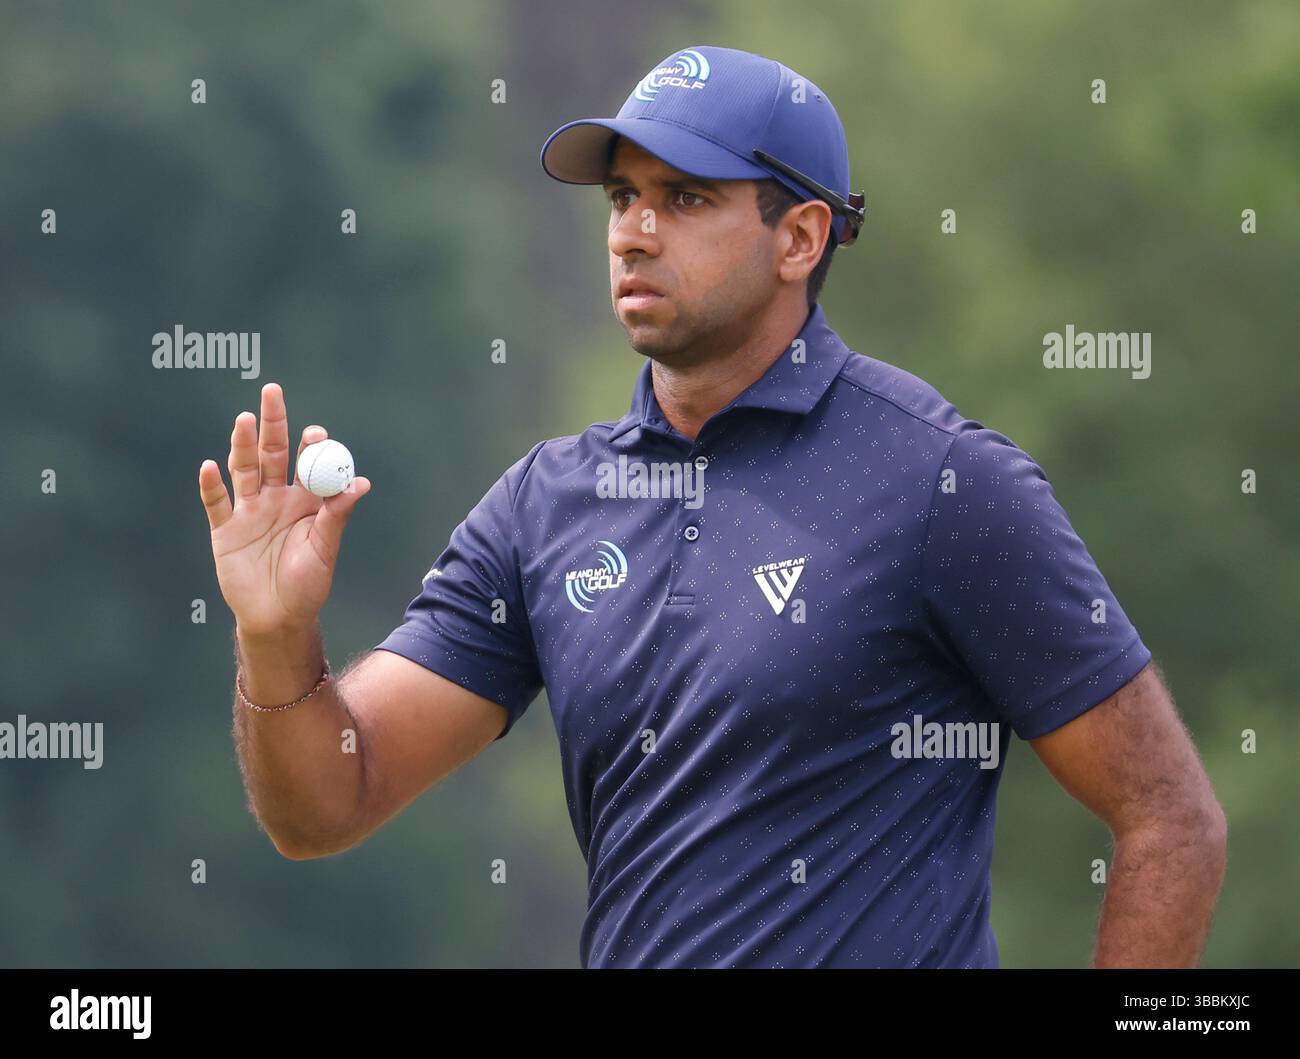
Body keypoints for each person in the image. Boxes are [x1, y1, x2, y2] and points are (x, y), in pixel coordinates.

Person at [197, 45, 1226, 968]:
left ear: (801, 237)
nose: (635, 234)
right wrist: (275, 636)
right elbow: (328, 803)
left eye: (685, 199)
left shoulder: (944, 483)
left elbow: (1169, 817)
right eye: (621, 197)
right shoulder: (544, 506)